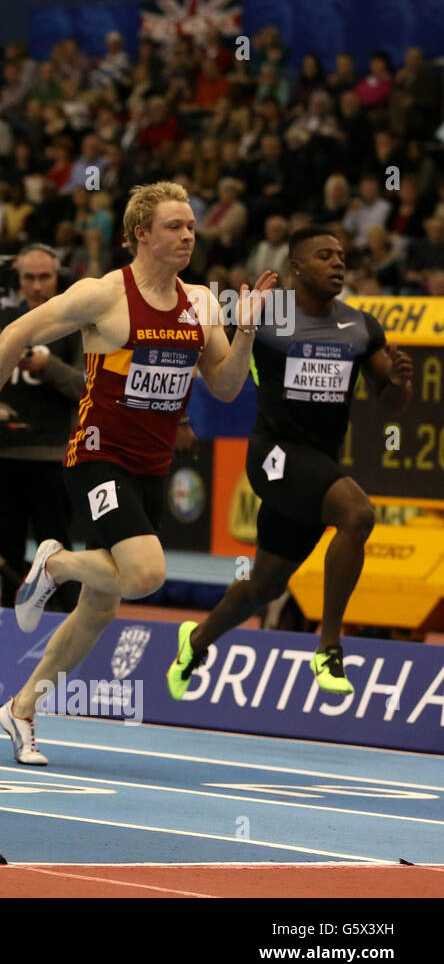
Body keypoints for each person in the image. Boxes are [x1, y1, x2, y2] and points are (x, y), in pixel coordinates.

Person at [0, 181, 276, 767]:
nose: (188, 235)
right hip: (97, 457)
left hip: (153, 468)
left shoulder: (201, 303)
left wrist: (248, 326)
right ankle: (52, 564)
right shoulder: (104, 296)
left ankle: (22, 708)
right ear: (140, 235)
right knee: (147, 572)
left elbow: (227, 388)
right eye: (175, 226)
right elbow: (13, 335)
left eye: (191, 226)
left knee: (100, 608)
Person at [169, 226, 413, 698]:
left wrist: (400, 382)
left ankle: (195, 642)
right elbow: (192, 343)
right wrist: (180, 413)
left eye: (342, 256)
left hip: (315, 466)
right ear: (296, 268)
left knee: (263, 586)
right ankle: (329, 647)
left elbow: (391, 403)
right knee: (358, 514)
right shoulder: (270, 311)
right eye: (325, 256)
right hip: (273, 455)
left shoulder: (361, 325)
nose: (338, 263)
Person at [0, 244, 83, 608]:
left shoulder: (74, 322)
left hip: (52, 456)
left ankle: (64, 624)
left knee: (56, 550)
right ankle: (3, 627)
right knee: (2, 551)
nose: (36, 285)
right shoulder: (1, 319)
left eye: (44, 277)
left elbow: (86, 386)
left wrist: (48, 365)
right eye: (29, 278)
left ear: (58, 278)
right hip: (1, 454)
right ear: (17, 279)